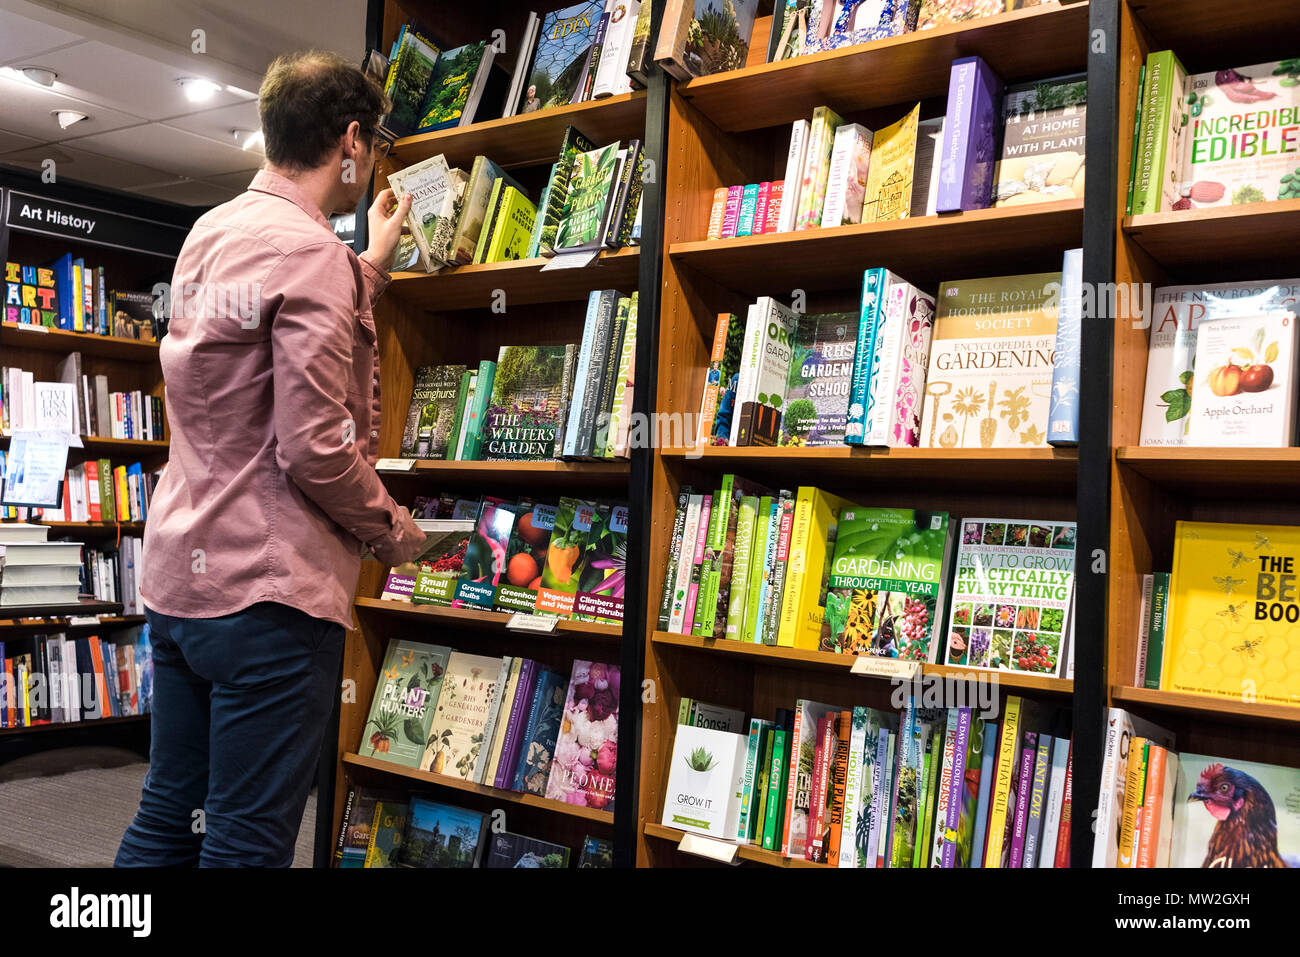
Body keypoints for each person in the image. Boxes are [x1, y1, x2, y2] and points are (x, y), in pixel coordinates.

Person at [115, 51, 426, 868]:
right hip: (270, 595)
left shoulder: (210, 233)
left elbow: (252, 348)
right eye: (378, 140)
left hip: (184, 579)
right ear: (352, 139)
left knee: (167, 814)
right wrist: (393, 532)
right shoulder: (314, 255)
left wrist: (369, 266)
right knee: (247, 840)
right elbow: (316, 448)